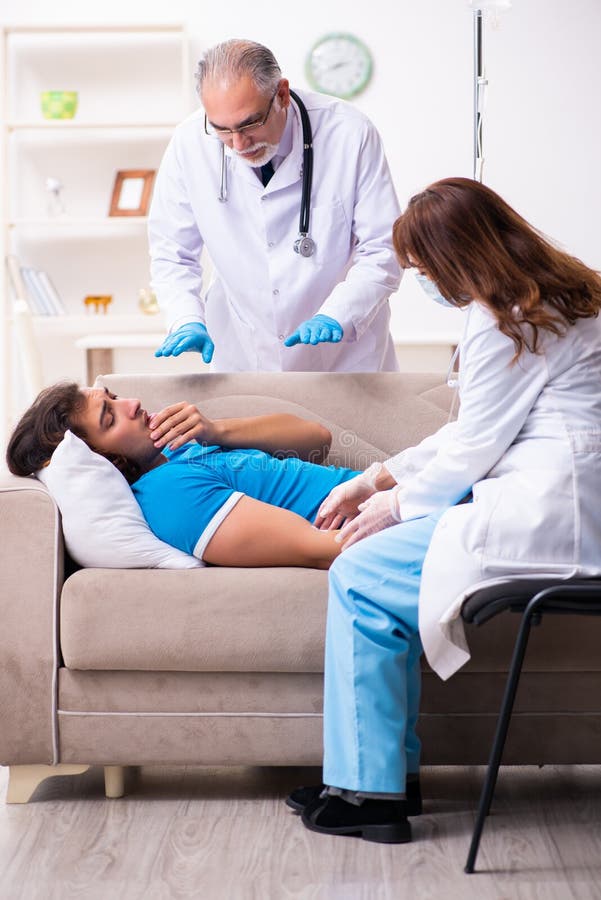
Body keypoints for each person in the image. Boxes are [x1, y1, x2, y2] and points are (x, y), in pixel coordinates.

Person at [287, 176, 601, 843]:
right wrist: (373, 478)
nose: (426, 283)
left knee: (361, 574)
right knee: (371, 574)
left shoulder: (504, 320)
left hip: (547, 512)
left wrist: (391, 506)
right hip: (568, 503)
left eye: (426, 269)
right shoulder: (567, 298)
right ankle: (372, 777)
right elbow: (471, 434)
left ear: (459, 255)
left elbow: (472, 447)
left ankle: (372, 792)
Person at [149, 38, 401, 372]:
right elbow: (172, 253)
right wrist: (185, 317)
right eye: (222, 130)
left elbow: (383, 247)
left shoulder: (349, 133)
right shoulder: (189, 143)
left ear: (281, 93)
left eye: (250, 123)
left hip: (344, 357)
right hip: (242, 349)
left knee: (349, 425)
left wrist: (339, 313)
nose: (238, 144)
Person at [6, 384, 371, 568]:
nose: (131, 404)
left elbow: (317, 439)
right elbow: (316, 549)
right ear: (101, 458)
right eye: (110, 417)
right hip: (383, 518)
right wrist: (403, 513)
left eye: (114, 397)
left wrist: (218, 430)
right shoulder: (169, 494)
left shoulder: (181, 448)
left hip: (387, 495)